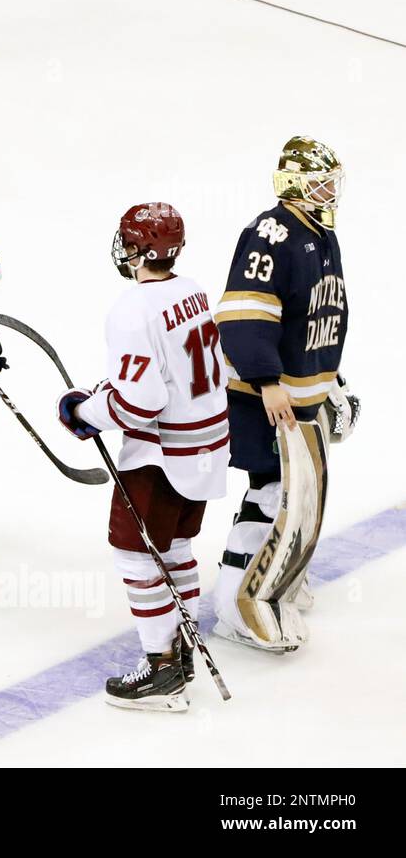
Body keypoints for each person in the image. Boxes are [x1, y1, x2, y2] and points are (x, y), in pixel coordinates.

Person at [57, 203, 228, 712]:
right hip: (208, 444)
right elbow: (166, 373)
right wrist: (108, 395)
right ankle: (182, 650)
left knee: (136, 554)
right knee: (174, 548)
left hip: (162, 455)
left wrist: (85, 411)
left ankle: (161, 669)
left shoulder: (132, 309)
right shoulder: (192, 290)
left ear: (138, 249)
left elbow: (142, 403)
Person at [211, 137, 357, 653]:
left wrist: (329, 378)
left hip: (301, 398)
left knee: (300, 496)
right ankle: (236, 605)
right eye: (319, 181)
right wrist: (267, 381)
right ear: (292, 181)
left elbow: (319, 316)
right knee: (269, 495)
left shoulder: (321, 234)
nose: (328, 190)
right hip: (263, 399)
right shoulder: (271, 233)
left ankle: (279, 580)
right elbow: (244, 313)